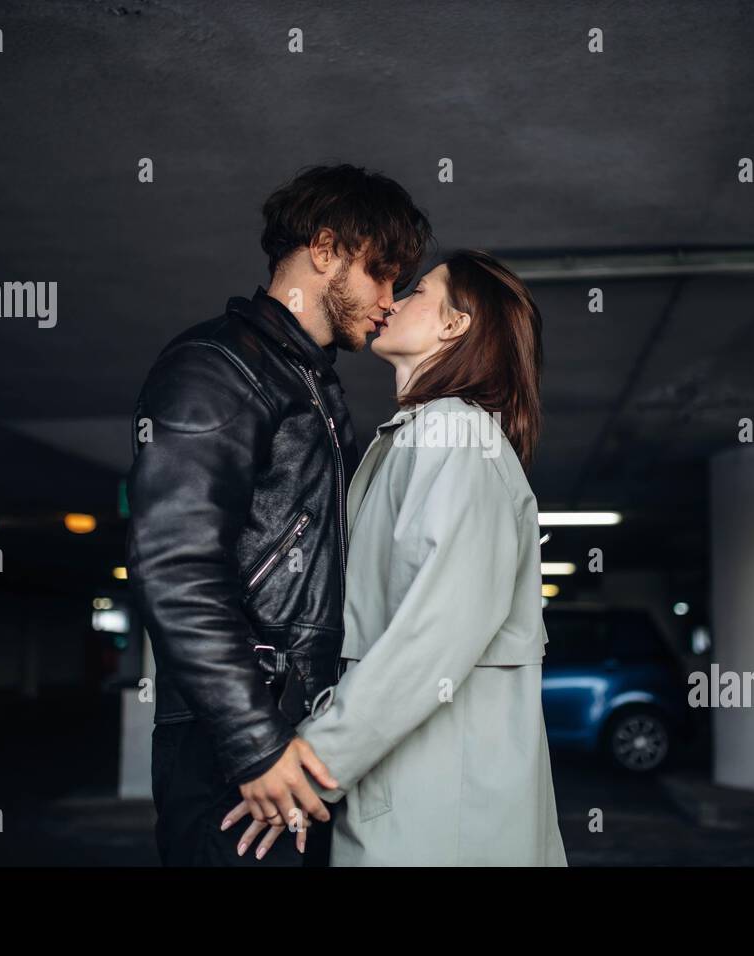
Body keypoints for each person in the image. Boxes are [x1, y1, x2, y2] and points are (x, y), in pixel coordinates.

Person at [126, 164, 432, 866]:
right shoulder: (218, 367)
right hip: (237, 740)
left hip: (297, 731)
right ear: (325, 250)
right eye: (381, 273)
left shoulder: (312, 386)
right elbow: (174, 566)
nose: (390, 300)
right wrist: (254, 740)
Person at [222, 251, 567, 866]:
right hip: (412, 796)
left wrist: (310, 762)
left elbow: (436, 635)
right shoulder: (416, 440)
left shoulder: (456, 439)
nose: (392, 301)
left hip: (440, 817)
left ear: (453, 326)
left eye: (417, 292)